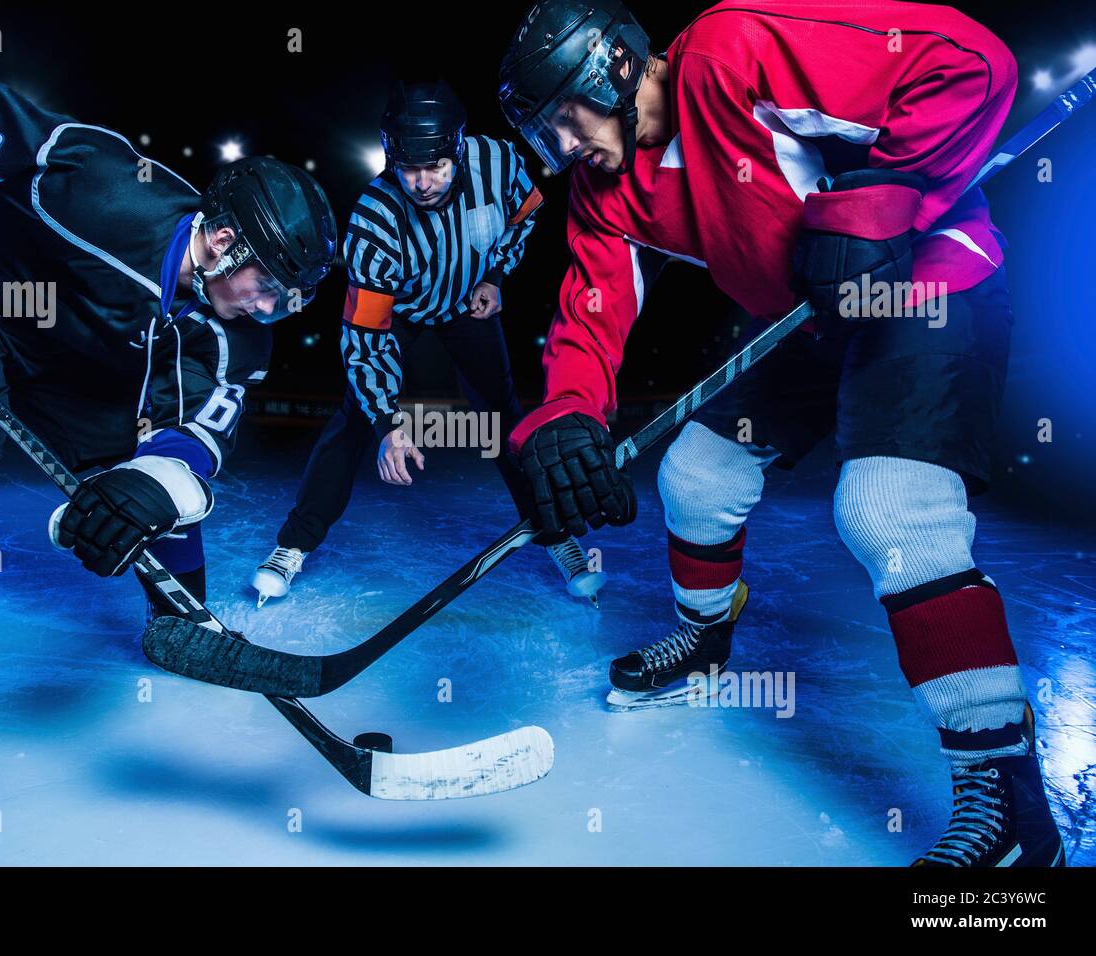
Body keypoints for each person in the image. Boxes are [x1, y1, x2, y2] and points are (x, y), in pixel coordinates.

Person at [498, 0, 1064, 866]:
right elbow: (591, 310)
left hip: (922, 280)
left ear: (611, 69)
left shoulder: (733, 50)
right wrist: (567, 415)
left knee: (888, 511)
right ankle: (705, 644)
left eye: (560, 119)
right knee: (696, 474)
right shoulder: (602, 192)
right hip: (806, 315)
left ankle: (1012, 813)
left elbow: (968, 60)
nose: (560, 145)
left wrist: (885, 191)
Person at [0, 70, 337, 832]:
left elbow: (191, 436)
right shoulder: (100, 184)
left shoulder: (236, 330)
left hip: (68, 358)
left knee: (142, 484)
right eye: (271, 285)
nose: (274, 308)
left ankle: (179, 619)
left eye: (292, 298)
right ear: (223, 242)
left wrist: (150, 486)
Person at [253, 79, 603, 607]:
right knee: (354, 420)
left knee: (506, 418)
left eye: (435, 167)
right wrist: (391, 426)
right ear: (392, 157)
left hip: (466, 302)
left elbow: (525, 215)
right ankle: (293, 545)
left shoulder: (499, 163)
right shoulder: (373, 220)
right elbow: (365, 336)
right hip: (402, 313)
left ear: (458, 149)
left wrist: (495, 278)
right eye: (409, 169)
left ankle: (558, 535)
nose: (421, 183)